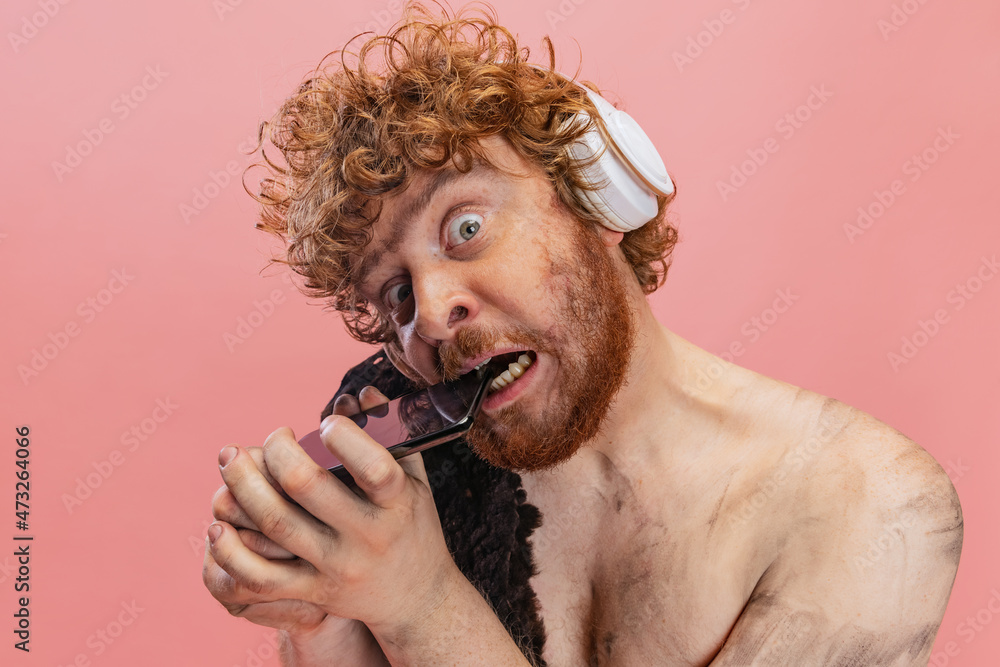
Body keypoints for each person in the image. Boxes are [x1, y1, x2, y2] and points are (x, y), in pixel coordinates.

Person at [202, 2, 963, 664]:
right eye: (395, 292)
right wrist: (318, 615)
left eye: (465, 226)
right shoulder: (416, 472)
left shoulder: (868, 507)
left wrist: (422, 603)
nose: (429, 313)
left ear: (594, 198)